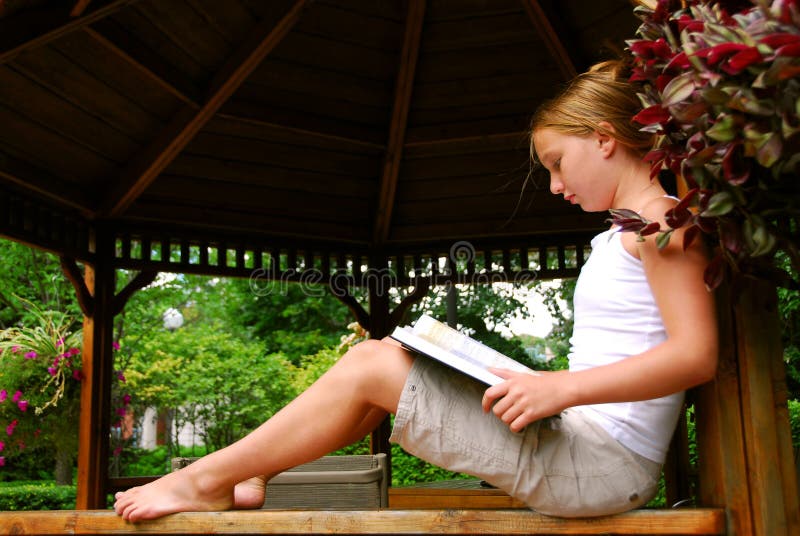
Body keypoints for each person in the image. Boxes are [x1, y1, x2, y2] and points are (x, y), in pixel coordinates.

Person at [113, 59, 718, 521]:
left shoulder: (662, 225)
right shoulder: (632, 232)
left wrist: (561, 386)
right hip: (585, 446)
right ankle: (246, 471)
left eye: (558, 162)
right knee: (377, 368)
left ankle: (204, 479)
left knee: (371, 363)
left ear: (605, 138)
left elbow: (696, 355)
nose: (556, 184)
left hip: (604, 468)